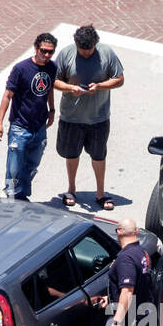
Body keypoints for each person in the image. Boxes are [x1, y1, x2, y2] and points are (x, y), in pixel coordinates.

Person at [53, 24, 124, 210]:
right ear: (76, 44)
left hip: (98, 117)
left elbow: (119, 79)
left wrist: (100, 86)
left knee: (99, 156)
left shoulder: (107, 53)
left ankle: (100, 192)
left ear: (95, 44)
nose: (85, 53)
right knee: (71, 154)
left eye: (89, 50)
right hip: (71, 117)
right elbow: (54, 80)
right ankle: (71, 189)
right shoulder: (66, 54)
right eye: (82, 50)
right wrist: (71, 88)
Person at [0, 33, 57, 201]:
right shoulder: (21, 69)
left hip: (39, 126)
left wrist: (51, 110)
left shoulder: (52, 67)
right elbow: (8, 95)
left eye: (50, 52)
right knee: (14, 167)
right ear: (36, 48)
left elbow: (50, 88)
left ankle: (21, 194)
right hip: (19, 126)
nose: (46, 55)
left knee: (32, 165)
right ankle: (12, 195)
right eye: (43, 51)